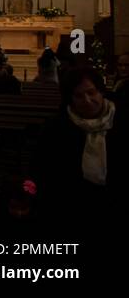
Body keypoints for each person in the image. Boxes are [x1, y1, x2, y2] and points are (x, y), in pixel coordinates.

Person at [32, 67, 126, 218]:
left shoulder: (122, 120)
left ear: (101, 91)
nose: (87, 101)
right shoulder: (56, 128)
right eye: (79, 96)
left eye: (91, 92)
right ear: (70, 99)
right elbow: (44, 171)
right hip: (72, 208)